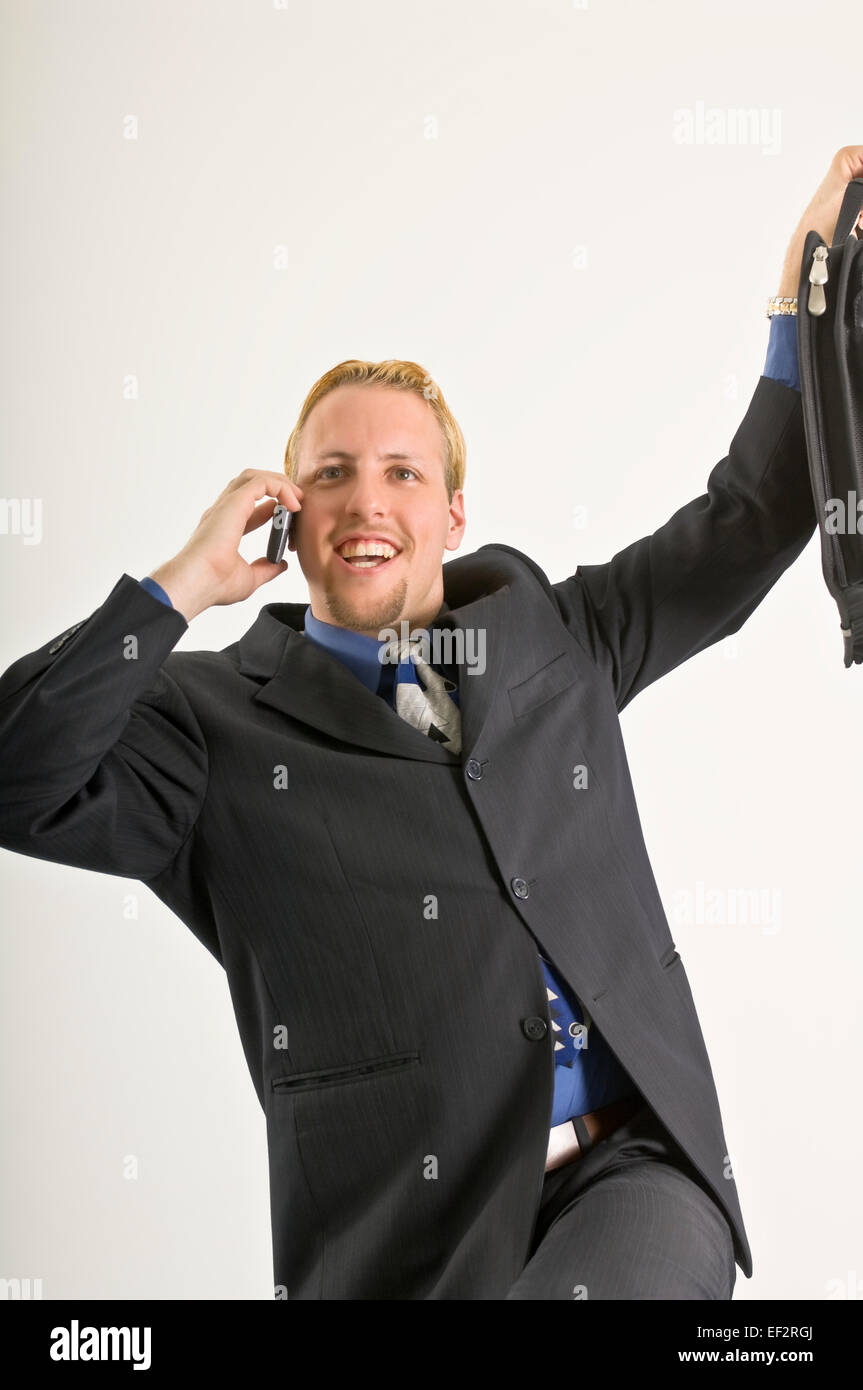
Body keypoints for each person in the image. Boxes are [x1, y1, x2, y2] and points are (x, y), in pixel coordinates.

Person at [1, 146, 860, 1301]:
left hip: (633, 1179)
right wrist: (178, 590)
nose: (367, 500)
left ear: (452, 512)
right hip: (394, 1250)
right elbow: (18, 776)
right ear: (285, 520)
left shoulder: (561, 634)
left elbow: (751, 517)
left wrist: (800, 289)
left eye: (403, 474)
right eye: (334, 475)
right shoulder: (204, 727)